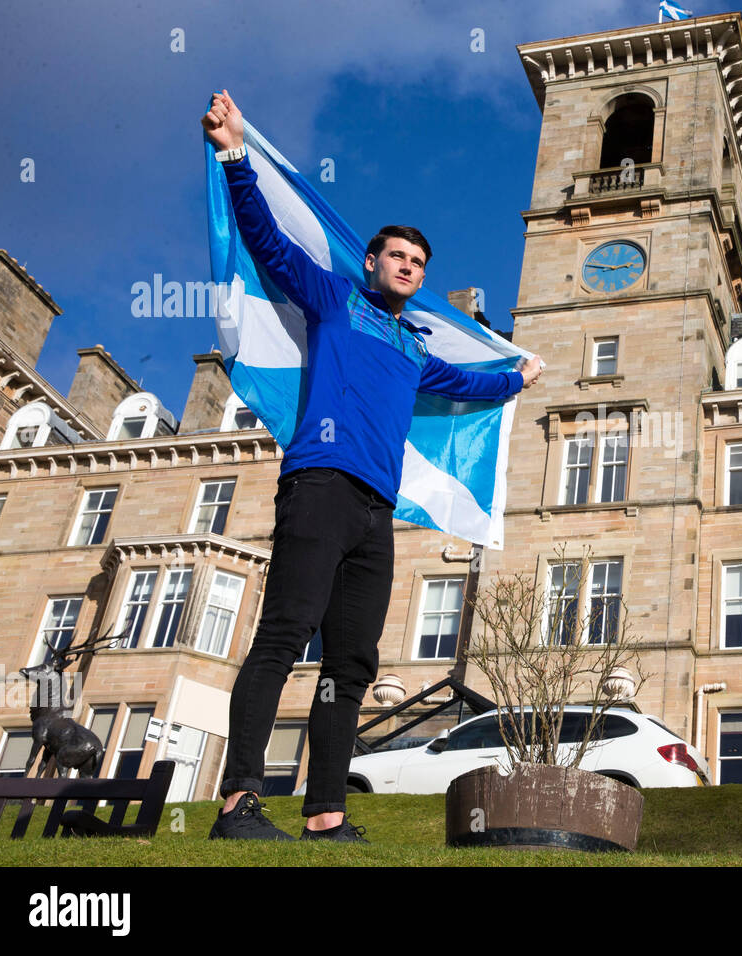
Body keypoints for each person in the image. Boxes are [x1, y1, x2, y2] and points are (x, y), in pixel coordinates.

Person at [201, 90, 542, 841]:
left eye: (419, 262)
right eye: (398, 256)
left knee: (352, 659)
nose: (409, 267)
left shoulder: (417, 347)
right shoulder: (333, 299)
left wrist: (515, 379)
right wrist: (234, 156)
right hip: (319, 481)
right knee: (284, 634)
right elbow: (266, 242)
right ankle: (239, 803)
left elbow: (467, 385)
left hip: (373, 511)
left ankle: (326, 812)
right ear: (372, 262)